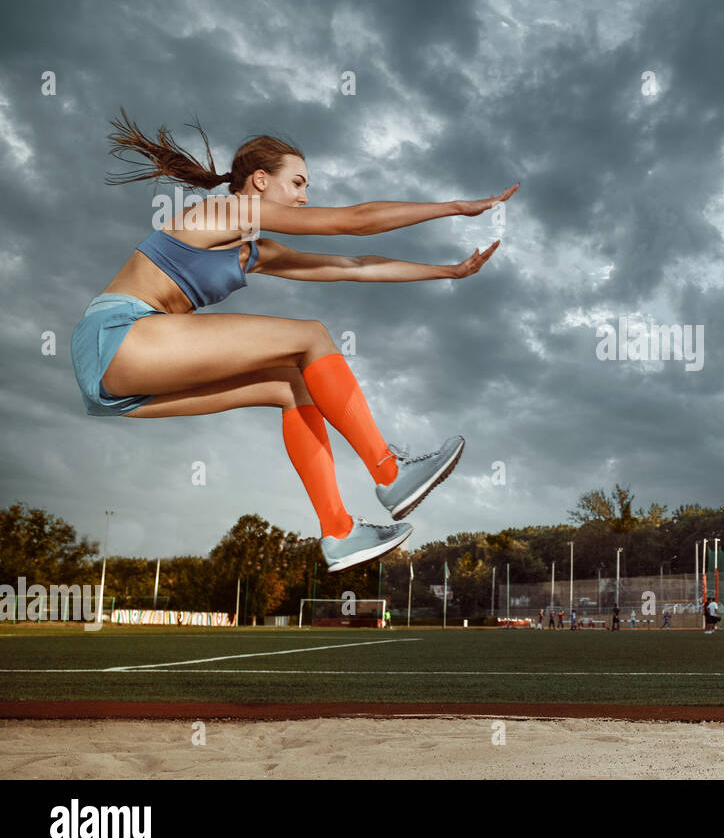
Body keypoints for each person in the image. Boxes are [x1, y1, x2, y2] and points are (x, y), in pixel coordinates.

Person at [78, 110, 516, 575]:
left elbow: (355, 266)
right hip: (118, 335)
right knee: (311, 336)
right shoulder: (226, 211)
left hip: (122, 380)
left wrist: (448, 271)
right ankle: (390, 472)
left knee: (294, 383)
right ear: (261, 181)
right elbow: (354, 221)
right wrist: (452, 207)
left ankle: (340, 531)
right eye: (299, 184)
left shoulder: (254, 251)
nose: (305, 198)